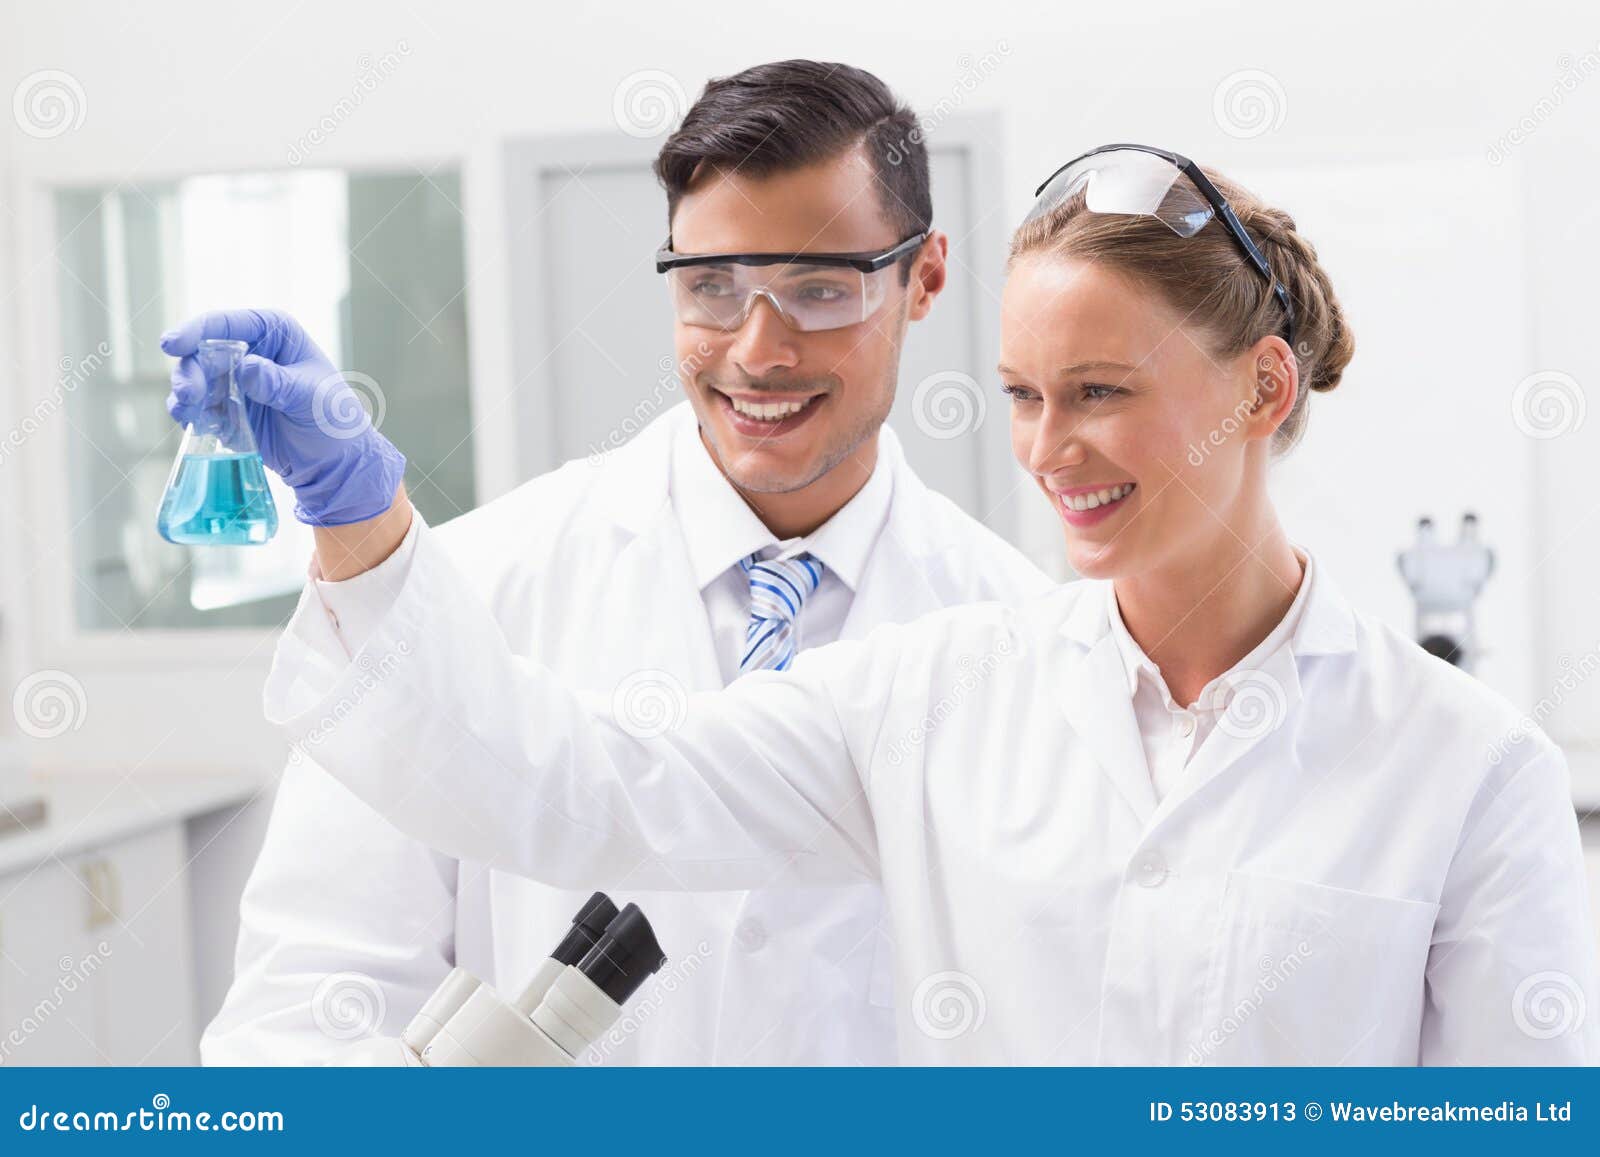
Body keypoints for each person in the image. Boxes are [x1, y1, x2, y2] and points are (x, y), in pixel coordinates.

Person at [207, 144, 1598, 1063]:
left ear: (1263, 387)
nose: (1049, 449)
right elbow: (579, 782)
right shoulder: (931, 692)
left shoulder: (1470, 769)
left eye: (1099, 391)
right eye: (1023, 396)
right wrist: (362, 525)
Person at [186, 61, 1051, 1066]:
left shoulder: (1014, 639)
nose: (757, 351)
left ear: (925, 277)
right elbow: (305, 1015)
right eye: (711, 287)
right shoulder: (463, 593)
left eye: (819, 289)